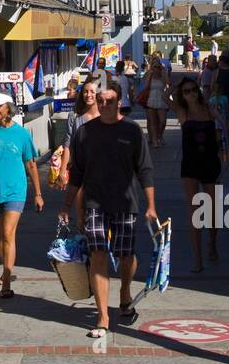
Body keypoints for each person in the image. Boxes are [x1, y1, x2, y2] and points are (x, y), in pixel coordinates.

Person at [60, 82, 157, 337]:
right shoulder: (84, 132)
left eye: (109, 100)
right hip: (95, 203)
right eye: (100, 100)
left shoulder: (132, 130)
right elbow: (77, 173)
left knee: (127, 255)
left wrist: (151, 206)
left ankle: (124, 292)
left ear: (120, 101)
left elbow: (144, 170)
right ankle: (103, 315)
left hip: (125, 204)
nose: (103, 105)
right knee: (98, 255)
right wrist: (67, 206)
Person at [0, 92, 44, 299]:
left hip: (16, 191)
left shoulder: (22, 134)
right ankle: (6, 267)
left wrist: (38, 194)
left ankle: (6, 280)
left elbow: (31, 164)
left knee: (7, 233)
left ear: (8, 108)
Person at [168, 77, 222, 272]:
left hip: (210, 164)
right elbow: (166, 98)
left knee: (214, 213)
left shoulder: (209, 110)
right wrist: (176, 83)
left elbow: (227, 128)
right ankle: (198, 259)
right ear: (182, 95)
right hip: (190, 165)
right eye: (186, 91)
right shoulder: (182, 112)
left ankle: (213, 243)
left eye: (193, 89)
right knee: (195, 213)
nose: (191, 93)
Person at [54, 79, 101, 188]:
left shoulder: (105, 114)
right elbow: (67, 146)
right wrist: (62, 171)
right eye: (85, 91)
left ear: (98, 94)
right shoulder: (74, 116)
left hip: (102, 169)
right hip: (79, 170)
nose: (88, 95)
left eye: (92, 92)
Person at [143, 58, 171, 148]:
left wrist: (164, 71)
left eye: (158, 67)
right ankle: (155, 140)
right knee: (153, 122)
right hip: (151, 99)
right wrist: (150, 74)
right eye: (155, 67)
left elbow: (168, 83)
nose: (157, 68)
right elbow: (146, 86)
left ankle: (160, 135)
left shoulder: (163, 74)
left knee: (162, 121)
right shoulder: (149, 75)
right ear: (152, 67)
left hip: (161, 99)